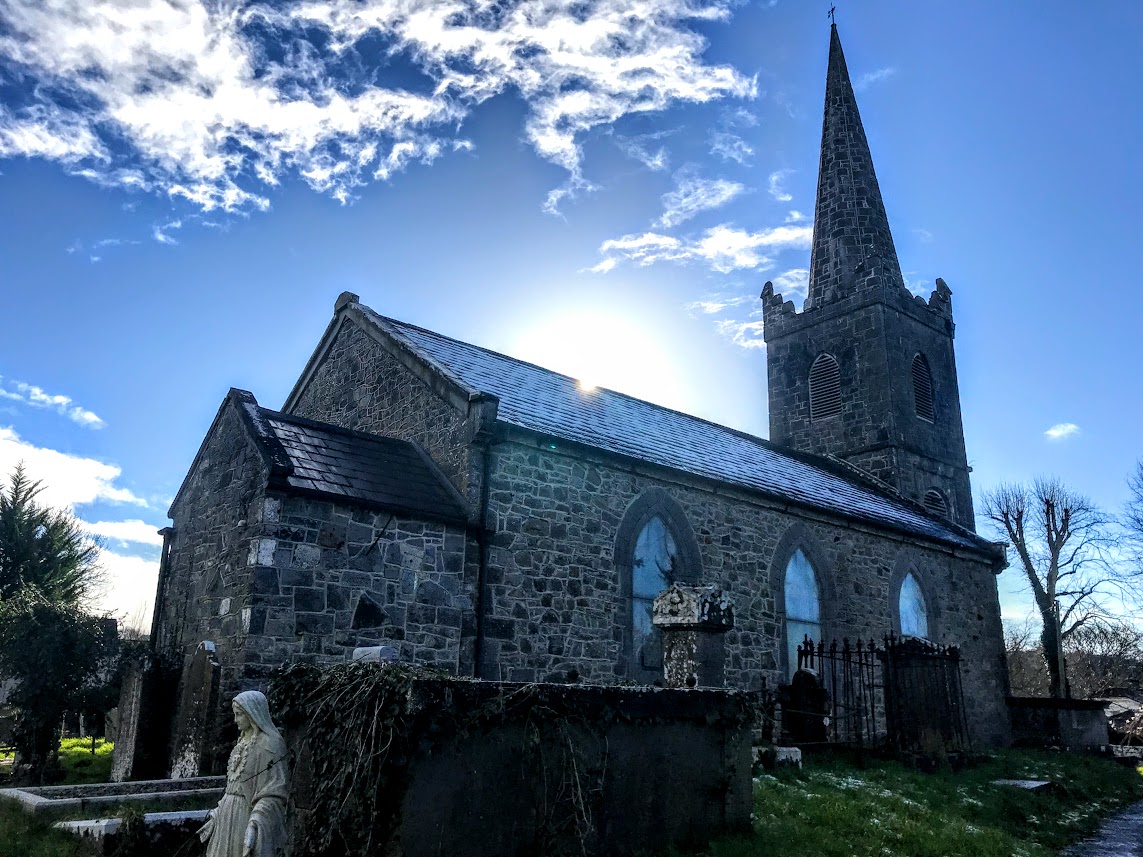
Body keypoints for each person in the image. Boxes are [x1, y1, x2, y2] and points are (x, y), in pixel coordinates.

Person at [198, 691, 289, 857]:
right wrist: (216, 816)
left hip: (245, 816)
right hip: (226, 818)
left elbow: (274, 791)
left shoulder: (270, 744)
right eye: (235, 714)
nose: (235, 720)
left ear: (252, 713)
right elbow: (234, 787)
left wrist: (256, 822)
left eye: (239, 714)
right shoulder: (242, 741)